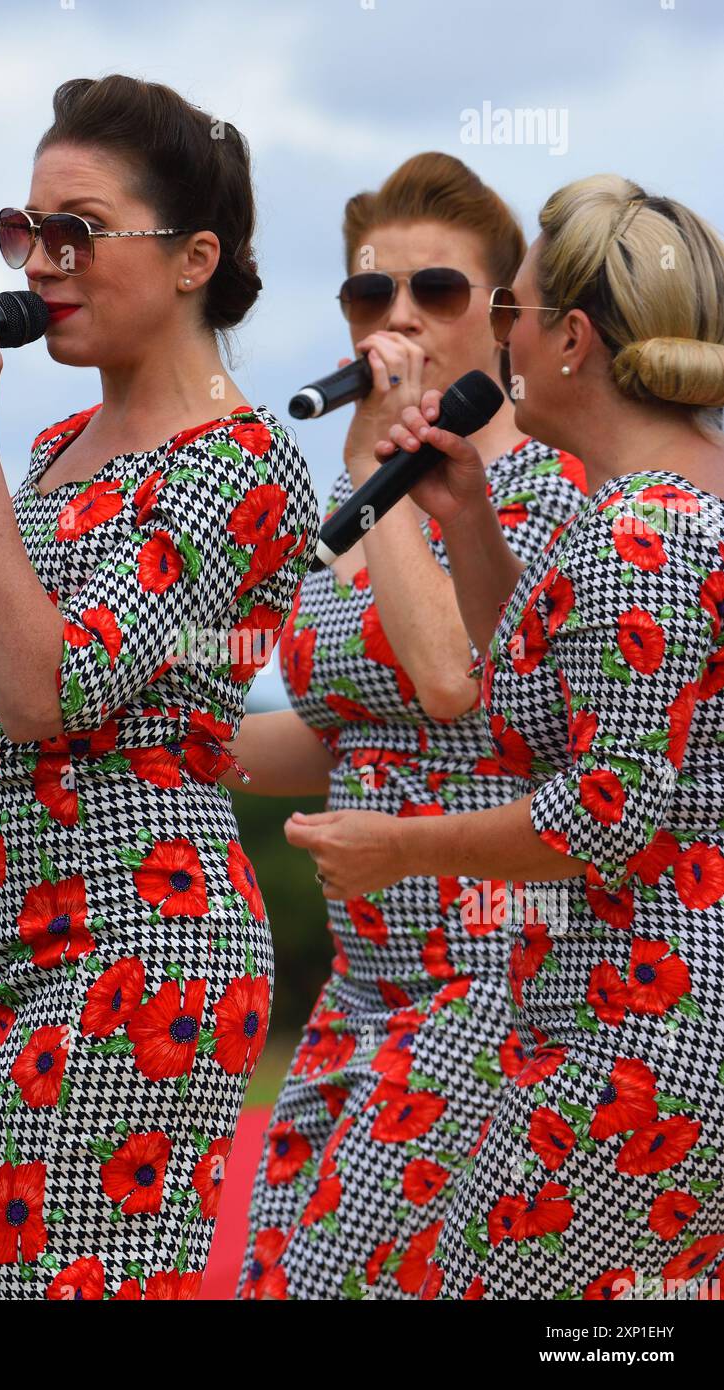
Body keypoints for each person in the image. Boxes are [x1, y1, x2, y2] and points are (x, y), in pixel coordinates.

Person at [0, 73, 321, 1302]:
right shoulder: (53, 454)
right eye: (25, 232)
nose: (42, 263)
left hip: (148, 950)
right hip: (16, 943)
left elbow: (54, 693)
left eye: (79, 232)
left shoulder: (240, 465)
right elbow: (4, 719)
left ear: (196, 257)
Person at [287, 173, 724, 1300]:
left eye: (509, 312)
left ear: (569, 339)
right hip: (622, 1019)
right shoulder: (640, 512)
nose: (498, 338)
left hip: (646, 1027)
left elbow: (603, 817)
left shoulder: (645, 531)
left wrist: (398, 848)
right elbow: (516, 707)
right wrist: (468, 516)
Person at [230, 153, 586, 1300]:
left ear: (500, 313)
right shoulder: (353, 496)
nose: (395, 318)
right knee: (267, 1275)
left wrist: (382, 469)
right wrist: (156, 749)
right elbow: (342, 727)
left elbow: (451, 682)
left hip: (495, 971)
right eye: (366, 294)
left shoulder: (554, 488)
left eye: (434, 292)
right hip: (362, 978)